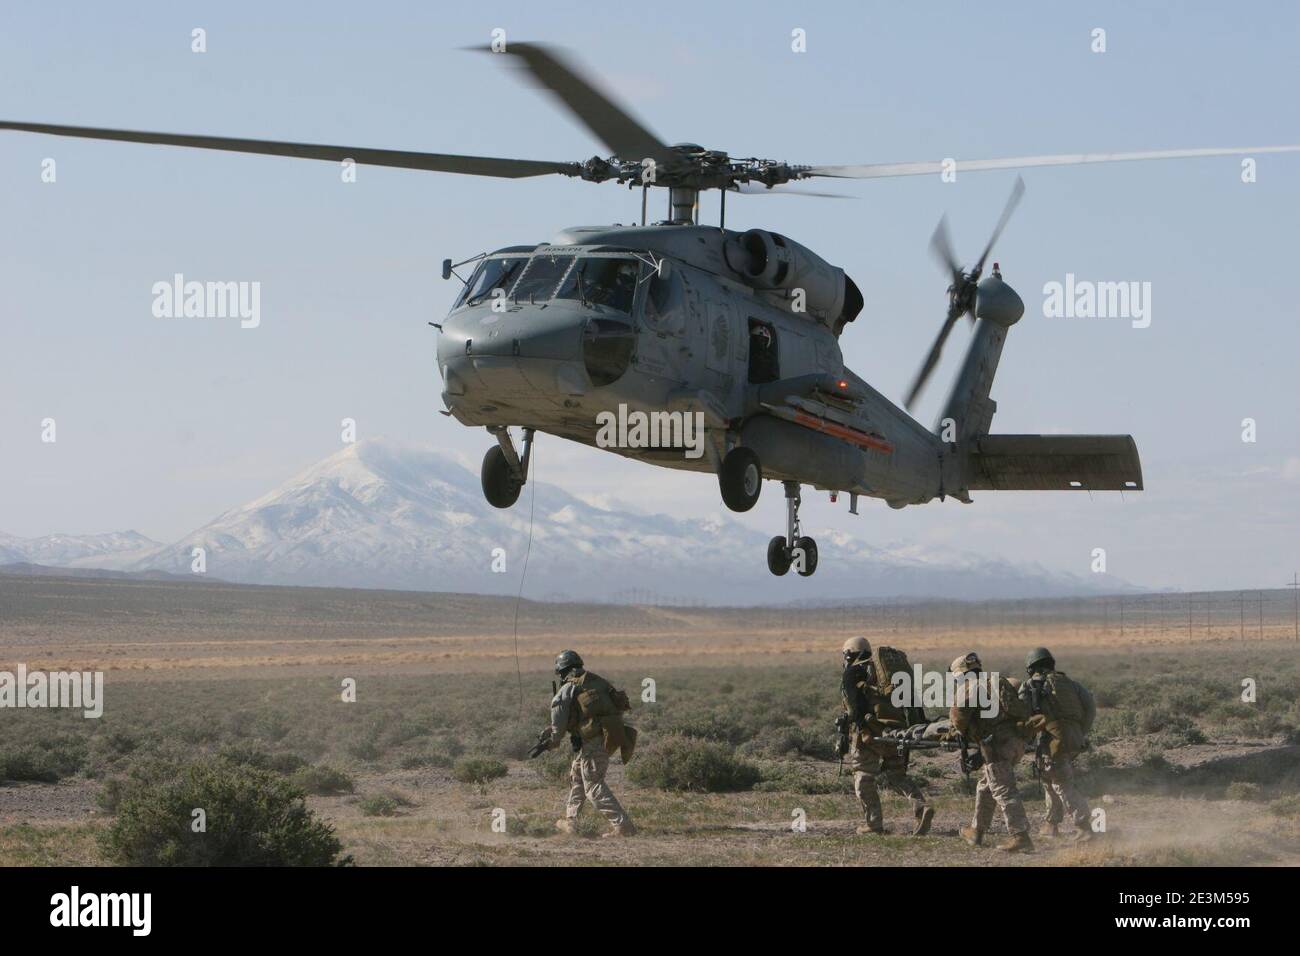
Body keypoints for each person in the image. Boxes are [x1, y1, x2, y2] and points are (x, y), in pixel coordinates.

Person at [839, 637, 934, 836]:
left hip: (870, 735)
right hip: (898, 732)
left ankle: (873, 825)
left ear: (848, 654)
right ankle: (921, 805)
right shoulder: (885, 672)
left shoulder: (853, 672)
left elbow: (854, 706)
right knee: (896, 775)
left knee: (863, 776)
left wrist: (863, 730)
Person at [537, 649, 636, 837]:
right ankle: (572, 821)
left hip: (593, 740)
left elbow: (558, 726)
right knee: (577, 775)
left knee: (592, 784)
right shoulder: (597, 682)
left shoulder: (567, 689)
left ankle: (623, 826)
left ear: (562, 671)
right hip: (608, 735)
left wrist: (551, 742)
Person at [948, 652, 1034, 853]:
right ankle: (976, 831)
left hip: (996, 747)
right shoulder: (997, 682)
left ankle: (1020, 836)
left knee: (1003, 790)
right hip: (1017, 743)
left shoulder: (968, 688)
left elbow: (959, 720)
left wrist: (959, 733)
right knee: (986, 786)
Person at [1022, 647, 1094, 842]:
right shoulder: (1071, 684)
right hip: (1074, 739)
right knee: (1050, 781)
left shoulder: (1032, 685)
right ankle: (1051, 824)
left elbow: (1022, 711)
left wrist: (1024, 736)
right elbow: (1090, 709)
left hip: (1052, 742)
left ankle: (1084, 827)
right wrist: (1079, 733)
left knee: (1061, 783)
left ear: (1031, 668)